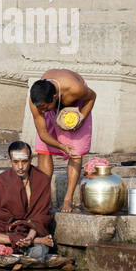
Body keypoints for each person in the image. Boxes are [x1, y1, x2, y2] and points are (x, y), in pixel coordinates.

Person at [29, 69, 97, 212]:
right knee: (43, 150)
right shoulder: (38, 103)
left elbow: (92, 97)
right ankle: (44, 197)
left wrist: (81, 118)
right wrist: (60, 146)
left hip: (76, 107)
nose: (42, 111)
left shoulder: (75, 89)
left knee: (75, 152)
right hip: (52, 104)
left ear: (55, 97)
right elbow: (43, 133)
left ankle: (68, 199)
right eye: (39, 108)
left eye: (44, 107)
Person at [0, 141, 55, 260]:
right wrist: (21, 238)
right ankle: (26, 243)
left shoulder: (42, 179)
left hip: (31, 232)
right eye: (16, 162)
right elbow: (0, 217)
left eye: (24, 161)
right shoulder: (1, 180)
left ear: (31, 158)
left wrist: (29, 237)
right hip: (8, 231)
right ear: (9, 160)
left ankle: (11, 246)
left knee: (38, 252)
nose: (20, 167)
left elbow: (41, 216)